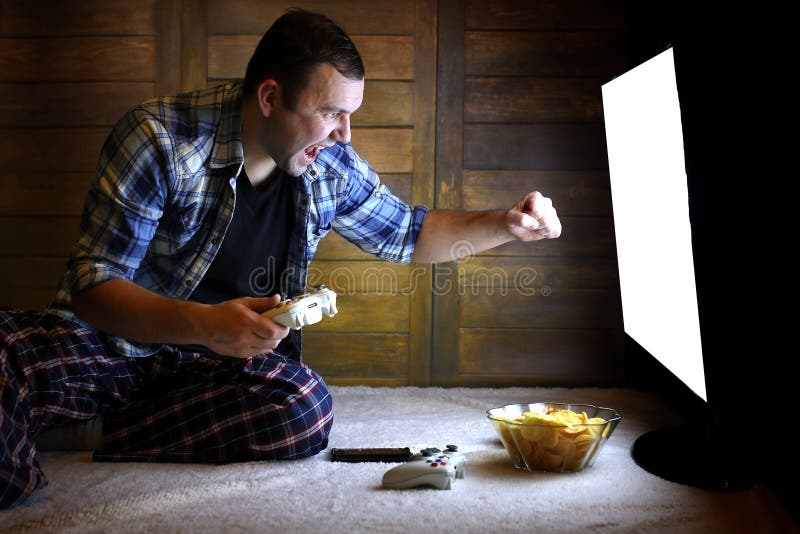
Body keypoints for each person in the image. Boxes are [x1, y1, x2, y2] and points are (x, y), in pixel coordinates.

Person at [0, 9, 561, 509]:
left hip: (217, 376)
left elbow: (408, 233)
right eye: (331, 114)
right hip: (117, 349)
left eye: (351, 115)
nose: (345, 135)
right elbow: (93, 285)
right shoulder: (160, 138)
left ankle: (89, 428)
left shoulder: (329, 164)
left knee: (304, 407)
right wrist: (204, 324)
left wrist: (505, 225)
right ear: (270, 98)